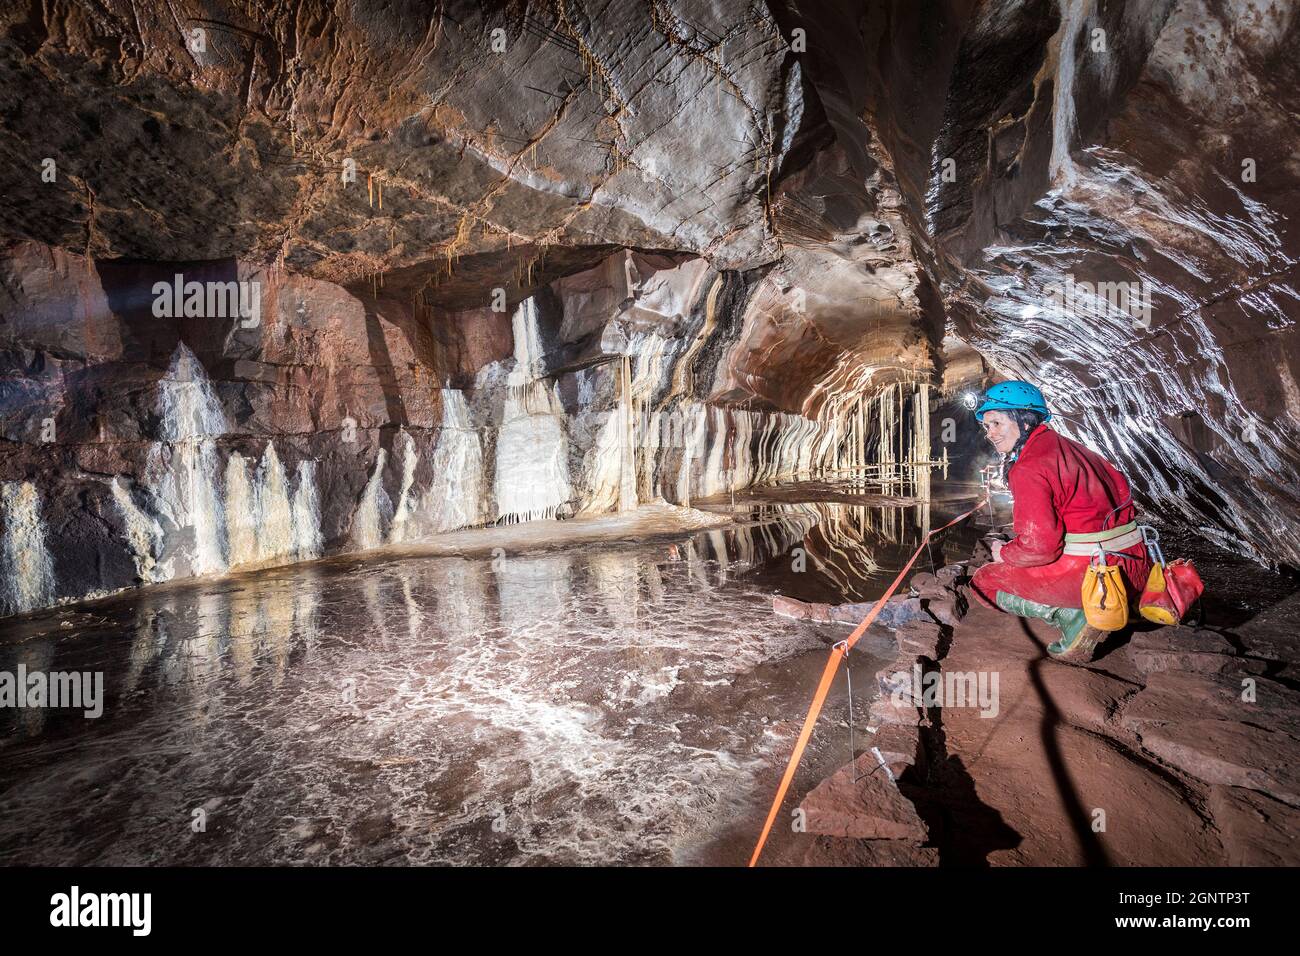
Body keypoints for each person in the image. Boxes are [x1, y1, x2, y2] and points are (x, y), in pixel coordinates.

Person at [969, 381, 1152, 664]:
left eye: (996, 422)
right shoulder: (1075, 449)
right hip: (1135, 566)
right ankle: (1127, 604)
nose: (990, 433)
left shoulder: (1029, 466)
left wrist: (1003, 553)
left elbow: (1040, 548)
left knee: (984, 581)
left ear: (1024, 420)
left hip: (1094, 576)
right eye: (987, 426)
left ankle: (1072, 614)